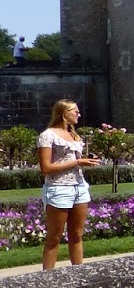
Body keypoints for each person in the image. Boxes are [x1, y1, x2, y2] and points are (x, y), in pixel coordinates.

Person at [37, 99, 99, 269]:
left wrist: (85, 161)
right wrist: (77, 162)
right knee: (54, 237)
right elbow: (46, 168)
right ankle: (47, 279)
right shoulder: (47, 135)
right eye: (75, 111)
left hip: (79, 187)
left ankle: (78, 275)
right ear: (65, 113)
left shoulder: (74, 135)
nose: (79, 114)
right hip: (59, 188)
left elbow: (74, 161)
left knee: (77, 234)